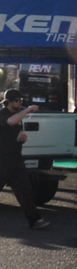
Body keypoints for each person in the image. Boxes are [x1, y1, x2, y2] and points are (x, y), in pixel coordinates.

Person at [0, 88, 50, 230]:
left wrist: (20, 139)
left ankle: (35, 220)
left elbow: (12, 133)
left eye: (21, 101)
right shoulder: (3, 114)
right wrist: (27, 110)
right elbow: (10, 122)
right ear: (8, 102)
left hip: (15, 161)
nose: (20, 103)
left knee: (25, 191)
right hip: (2, 161)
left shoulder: (16, 115)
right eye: (17, 101)